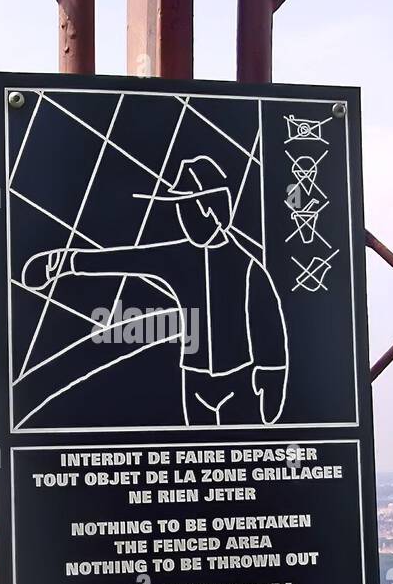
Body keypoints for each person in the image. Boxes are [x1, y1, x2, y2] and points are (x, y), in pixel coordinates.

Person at [21, 155, 288, 427]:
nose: (182, 218)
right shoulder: (178, 258)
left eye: (186, 208)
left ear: (211, 208)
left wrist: (273, 374)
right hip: (194, 380)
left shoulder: (248, 268)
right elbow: (127, 259)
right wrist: (64, 263)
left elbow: (267, 322)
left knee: (241, 455)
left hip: (238, 378)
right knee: (195, 457)